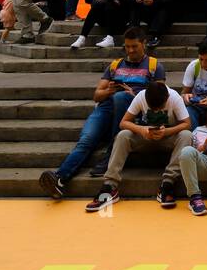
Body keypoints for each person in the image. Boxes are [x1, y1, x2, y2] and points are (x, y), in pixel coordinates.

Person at [39, 28, 164, 198]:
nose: (131, 50)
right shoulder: (115, 65)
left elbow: (160, 97)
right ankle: (59, 179)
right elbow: (97, 95)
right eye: (127, 47)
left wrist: (135, 95)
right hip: (107, 106)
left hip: (133, 110)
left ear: (143, 44)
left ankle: (111, 151)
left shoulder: (154, 65)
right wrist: (110, 91)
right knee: (86, 140)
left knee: (121, 98)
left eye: (134, 46)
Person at [89, 81, 194, 212]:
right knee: (123, 135)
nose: (156, 111)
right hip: (145, 138)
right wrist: (141, 130)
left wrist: (166, 132)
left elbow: (187, 124)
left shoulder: (174, 97)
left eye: (159, 108)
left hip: (167, 139)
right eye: (152, 108)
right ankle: (110, 185)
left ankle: (168, 183)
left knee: (186, 135)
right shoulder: (141, 96)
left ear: (167, 98)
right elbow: (123, 123)